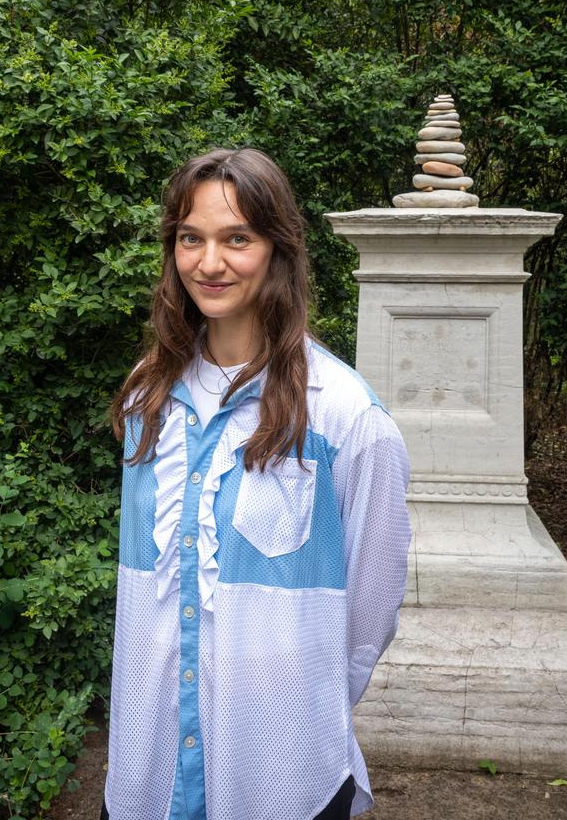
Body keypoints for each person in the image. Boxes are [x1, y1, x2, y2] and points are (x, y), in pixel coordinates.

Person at [104, 148, 412, 820]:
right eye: (191, 238)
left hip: (279, 774)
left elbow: (371, 604)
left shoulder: (345, 416)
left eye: (236, 239)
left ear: (278, 249)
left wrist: (301, 706)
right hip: (148, 770)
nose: (208, 263)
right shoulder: (145, 398)